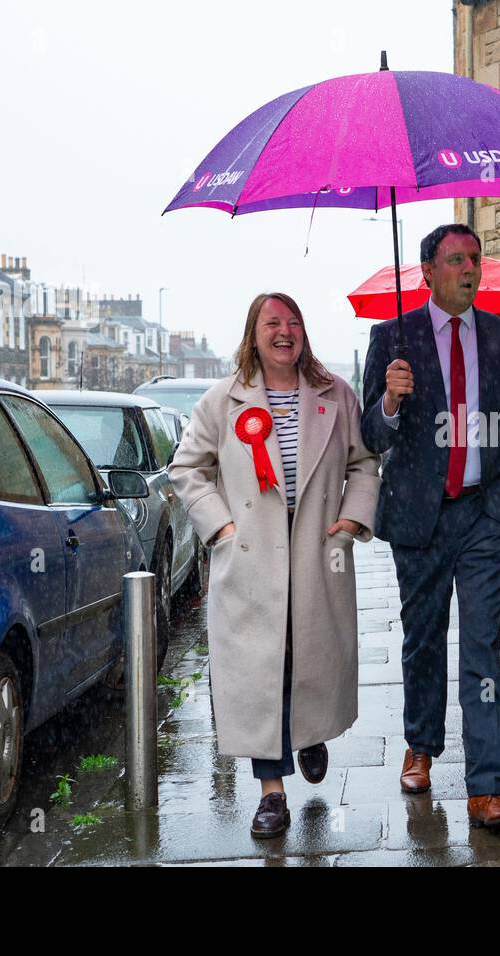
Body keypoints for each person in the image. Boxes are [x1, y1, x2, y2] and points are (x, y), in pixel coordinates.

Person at [169, 291, 379, 839]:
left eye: (293, 322)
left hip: (317, 550)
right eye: (272, 323)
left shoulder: (337, 396)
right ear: (253, 333)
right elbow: (187, 469)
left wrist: (352, 521)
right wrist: (220, 527)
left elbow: (364, 464)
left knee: (308, 652)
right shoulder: (222, 401)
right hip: (250, 555)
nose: (284, 331)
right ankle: (271, 792)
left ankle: (310, 733)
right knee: (263, 666)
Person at [361, 224, 500, 831]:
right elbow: (369, 436)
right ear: (428, 272)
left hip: (486, 519)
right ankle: (420, 743)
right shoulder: (393, 336)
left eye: (475, 258)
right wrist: (390, 400)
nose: (469, 268)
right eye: (456, 259)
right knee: (422, 640)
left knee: (480, 651)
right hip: (419, 518)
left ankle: (487, 784)